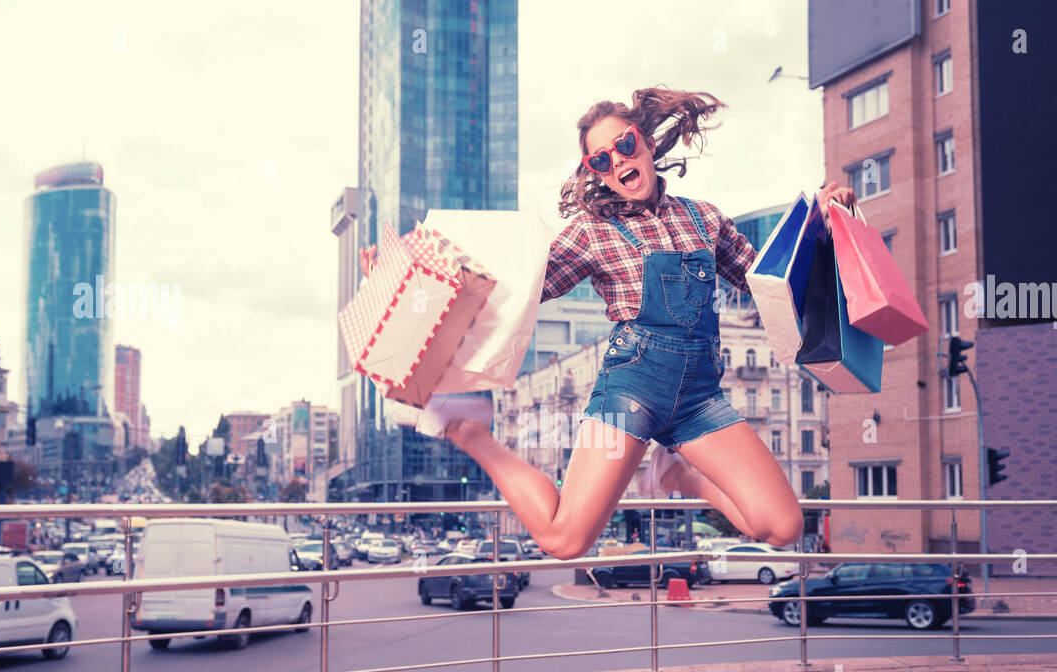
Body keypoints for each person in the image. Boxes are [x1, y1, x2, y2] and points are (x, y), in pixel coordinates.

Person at [360, 86, 855, 561]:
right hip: (626, 394)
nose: (617, 160)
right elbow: (514, 290)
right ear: (596, 173)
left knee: (783, 526)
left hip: (700, 399)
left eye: (623, 145)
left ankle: (676, 476)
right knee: (564, 539)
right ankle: (473, 436)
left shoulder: (705, 218)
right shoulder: (592, 232)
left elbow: (770, 281)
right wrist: (407, 279)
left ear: (644, 139)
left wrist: (822, 226)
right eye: (601, 159)